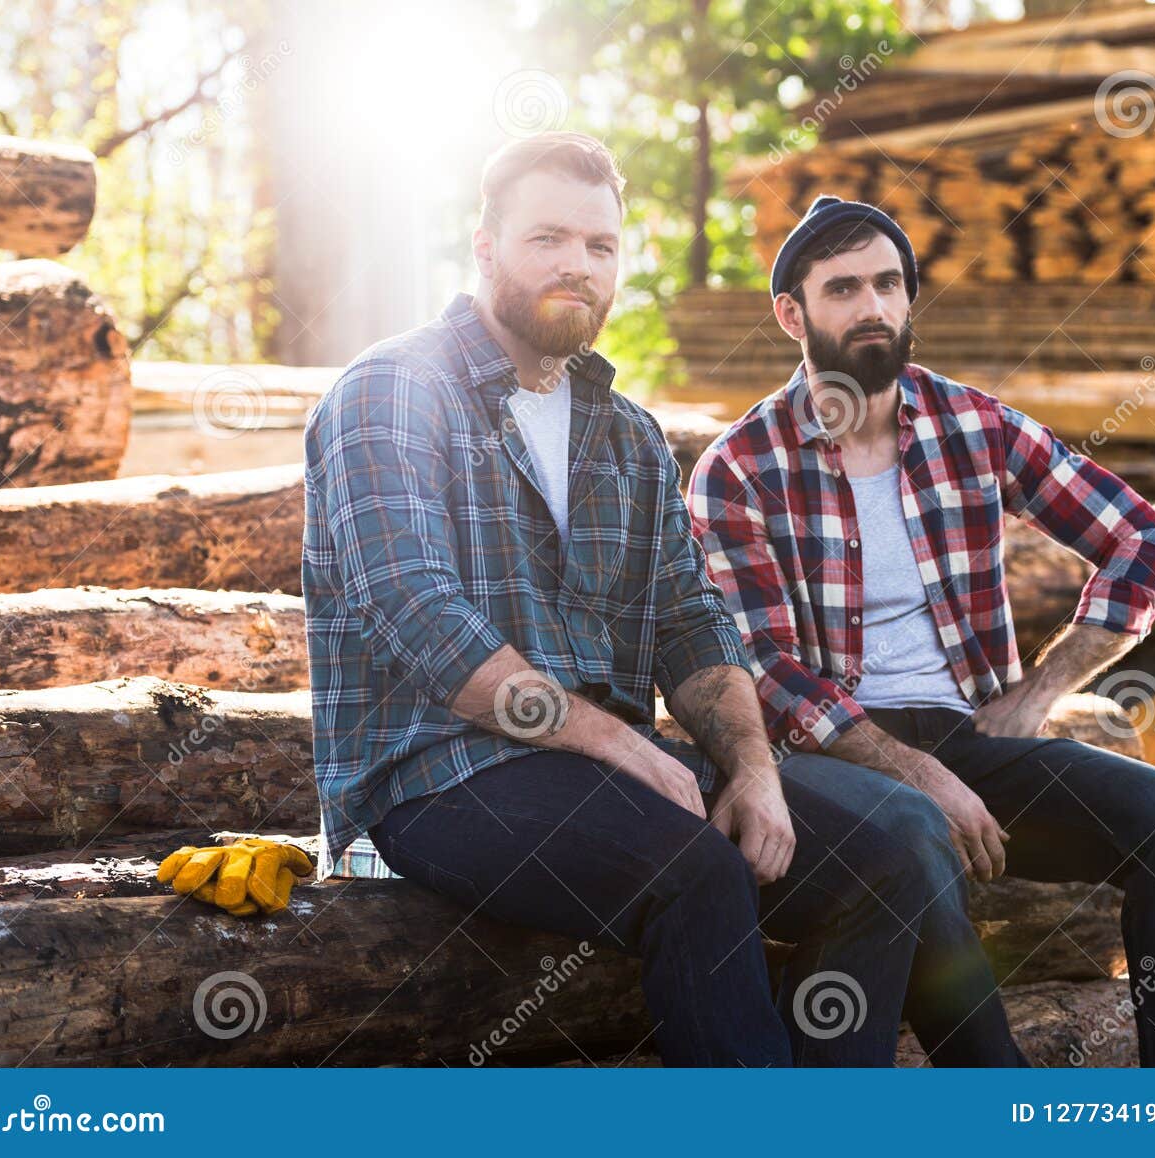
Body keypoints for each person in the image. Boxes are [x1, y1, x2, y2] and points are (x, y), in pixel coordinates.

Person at [301, 136, 931, 1066]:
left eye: (601, 246)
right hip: (434, 778)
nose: (577, 265)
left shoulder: (628, 433)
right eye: (547, 238)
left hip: (602, 775)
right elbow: (415, 609)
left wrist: (754, 772)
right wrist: (624, 745)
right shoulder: (394, 389)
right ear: (484, 247)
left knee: (885, 861)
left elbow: (690, 619)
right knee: (695, 873)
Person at [685, 194, 1155, 1067]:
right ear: (792, 314)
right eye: (843, 289)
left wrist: (1040, 692)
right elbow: (763, 667)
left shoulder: (973, 425)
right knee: (909, 839)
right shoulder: (739, 468)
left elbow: (1146, 542)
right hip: (824, 764)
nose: (872, 307)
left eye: (888, 285)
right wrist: (911, 771)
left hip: (970, 737)